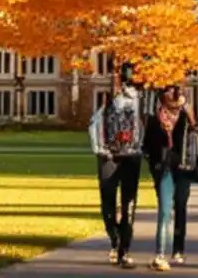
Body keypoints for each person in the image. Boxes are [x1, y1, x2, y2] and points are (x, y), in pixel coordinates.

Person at [88, 61, 143, 269]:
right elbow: (94, 124)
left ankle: (124, 250)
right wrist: (100, 149)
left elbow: (144, 124)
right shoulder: (106, 99)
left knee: (129, 204)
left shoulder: (140, 99)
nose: (123, 80)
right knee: (107, 203)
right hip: (109, 156)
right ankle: (115, 237)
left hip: (131, 156)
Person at [141, 84, 197, 271]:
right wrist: (156, 164)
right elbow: (147, 146)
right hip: (163, 169)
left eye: (176, 93)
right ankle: (160, 253)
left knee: (180, 204)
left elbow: (197, 137)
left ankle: (178, 248)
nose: (174, 96)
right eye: (169, 92)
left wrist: (191, 116)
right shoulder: (154, 119)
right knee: (165, 210)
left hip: (183, 168)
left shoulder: (185, 117)